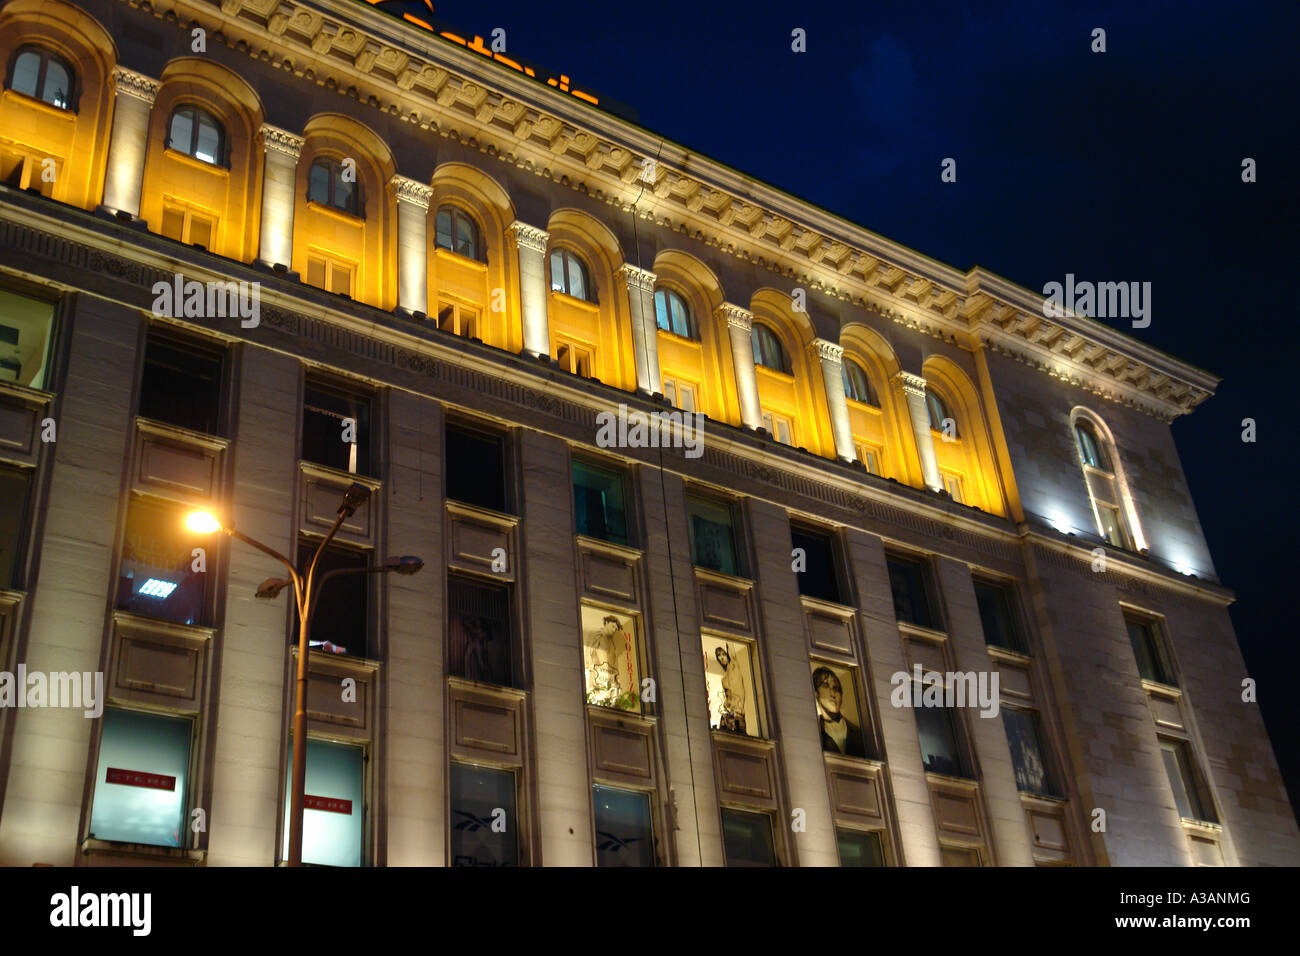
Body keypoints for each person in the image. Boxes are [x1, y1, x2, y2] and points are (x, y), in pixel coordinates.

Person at [812, 666, 864, 757]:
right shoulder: (813, 733)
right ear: (816, 693)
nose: (833, 694)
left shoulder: (858, 732)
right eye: (825, 685)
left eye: (836, 688)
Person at [587, 614, 624, 706]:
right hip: (597, 677)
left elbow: (613, 662)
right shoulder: (596, 636)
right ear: (606, 623)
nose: (613, 630)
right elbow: (588, 654)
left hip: (607, 678)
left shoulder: (611, 643)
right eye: (612, 626)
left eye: (615, 629)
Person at [715, 646, 747, 734]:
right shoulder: (724, 677)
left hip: (738, 710)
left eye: (723, 654)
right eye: (719, 655)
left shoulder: (733, 667)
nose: (721, 657)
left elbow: (731, 650)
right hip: (731, 710)